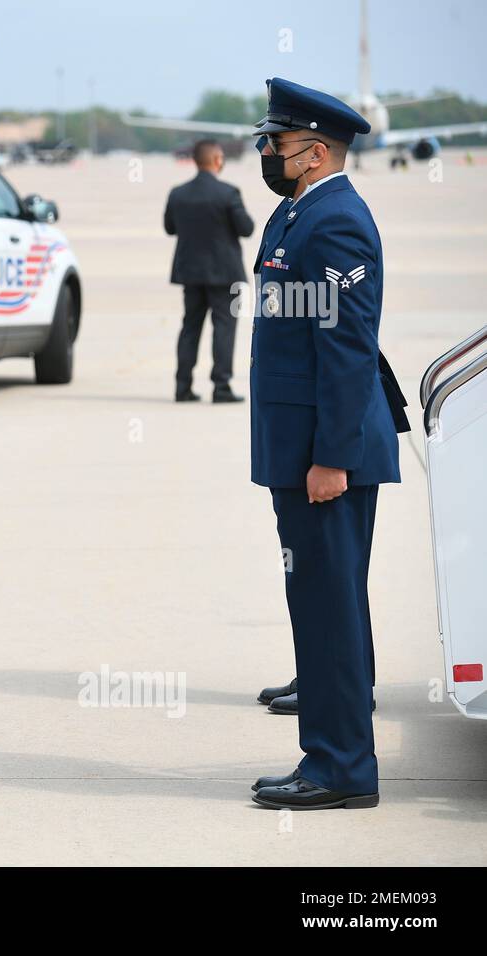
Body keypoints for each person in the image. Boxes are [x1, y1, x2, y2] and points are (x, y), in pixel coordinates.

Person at [246, 78, 408, 811]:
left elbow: (345, 347)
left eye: (276, 146)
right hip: (303, 442)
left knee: (327, 605)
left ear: (314, 152)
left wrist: (333, 456)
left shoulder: (335, 220)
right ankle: (336, 749)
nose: (267, 155)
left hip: (325, 452)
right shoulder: (299, 212)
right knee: (322, 601)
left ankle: (340, 768)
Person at [163, 139, 255, 402]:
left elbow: (170, 227)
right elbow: (246, 229)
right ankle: (221, 386)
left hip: (190, 273)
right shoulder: (228, 193)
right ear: (216, 159)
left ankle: (182, 387)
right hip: (224, 273)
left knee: (190, 328)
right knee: (223, 329)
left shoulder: (178, 193)